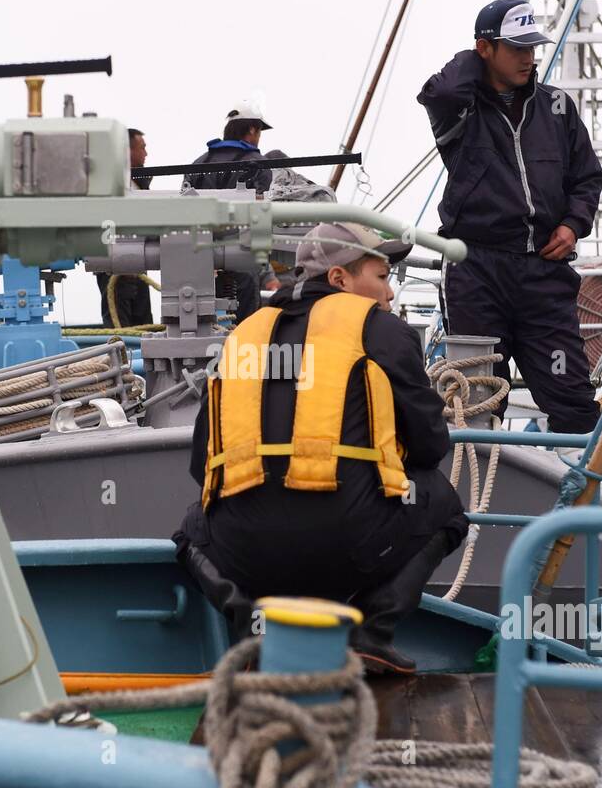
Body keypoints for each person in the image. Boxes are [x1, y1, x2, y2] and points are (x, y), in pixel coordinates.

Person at [172, 222, 468, 674]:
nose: (388, 294)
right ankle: (370, 635)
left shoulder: (242, 337)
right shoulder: (384, 331)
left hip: (247, 553)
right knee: (444, 505)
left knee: (190, 531)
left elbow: (202, 466)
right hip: (351, 545)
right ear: (340, 280)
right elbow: (430, 446)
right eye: (382, 276)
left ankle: (254, 634)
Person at [418, 0, 602, 434]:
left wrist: (573, 224)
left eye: (532, 47)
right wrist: (476, 55)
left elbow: (588, 177)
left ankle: (581, 499)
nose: (529, 57)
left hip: (545, 275)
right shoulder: (458, 110)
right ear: (485, 49)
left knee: (574, 402)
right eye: (516, 48)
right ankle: (476, 499)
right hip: (477, 273)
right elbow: (441, 90)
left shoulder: (557, 108)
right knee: (477, 406)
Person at [181, 100, 288, 322]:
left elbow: (184, 210)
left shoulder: (198, 163)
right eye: (259, 131)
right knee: (246, 328)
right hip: (243, 259)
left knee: (200, 323)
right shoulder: (257, 163)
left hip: (197, 261)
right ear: (251, 130)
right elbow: (262, 214)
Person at [95, 128, 154, 327]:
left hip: (139, 267)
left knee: (144, 325)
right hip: (115, 270)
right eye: (142, 148)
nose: (146, 153)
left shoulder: (138, 183)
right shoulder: (108, 184)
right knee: (119, 326)